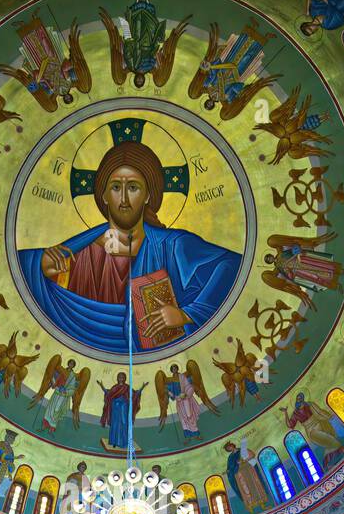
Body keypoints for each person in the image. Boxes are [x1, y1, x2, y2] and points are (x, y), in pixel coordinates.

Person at [20, 140, 240, 355]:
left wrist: (187, 315)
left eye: (133, 187)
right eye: (116, 187)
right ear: (104, 195)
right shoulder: (77, 255)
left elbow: (231, 266)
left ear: (148, 196)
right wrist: (40, 267)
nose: (123, 199)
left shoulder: (172, 245)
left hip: (154, 362)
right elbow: (22, 271)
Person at [99, 372, 145, 452]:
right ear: (117, 378)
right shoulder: (115, 387)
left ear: (125, 378)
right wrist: (102, 386)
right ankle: (114, 442)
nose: (121, 378)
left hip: (124, 408)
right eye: (119, 377)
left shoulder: (127, 387)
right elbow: (108, 393)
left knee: (124, 423)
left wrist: (142, 388)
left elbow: (134, 395)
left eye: (122, 377)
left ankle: (123, 443)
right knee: (115, 424)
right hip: (115, 408)